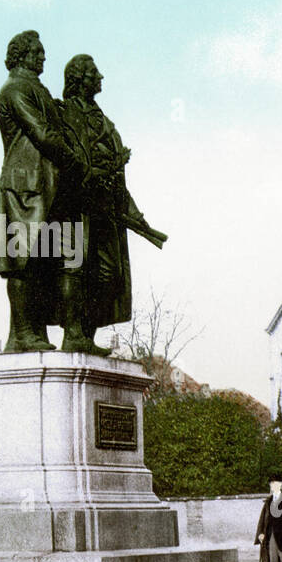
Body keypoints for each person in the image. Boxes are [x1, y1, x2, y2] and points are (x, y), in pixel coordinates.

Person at [49, 54, 165, 354]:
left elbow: (118, 176)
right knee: (74, 266)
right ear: (78, 78)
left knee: (108, 273)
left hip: (106, 208)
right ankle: (73, 333)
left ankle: (86, 333)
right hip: (75, 204)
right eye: (93, 72)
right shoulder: (62, 114)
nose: (100, 76)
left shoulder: (106, 123)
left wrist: (136, 216)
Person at [0, 31, 84, 351]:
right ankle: (24, 333)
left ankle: (31, 333)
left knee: (42, 261)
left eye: (43, 52)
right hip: (24, 187)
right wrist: (74, 159)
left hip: (45, 187)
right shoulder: (15, 90)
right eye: (36, 53)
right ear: (20, 55)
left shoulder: (36, 89)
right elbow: (43, 134)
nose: (43, 57)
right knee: (21, 261)